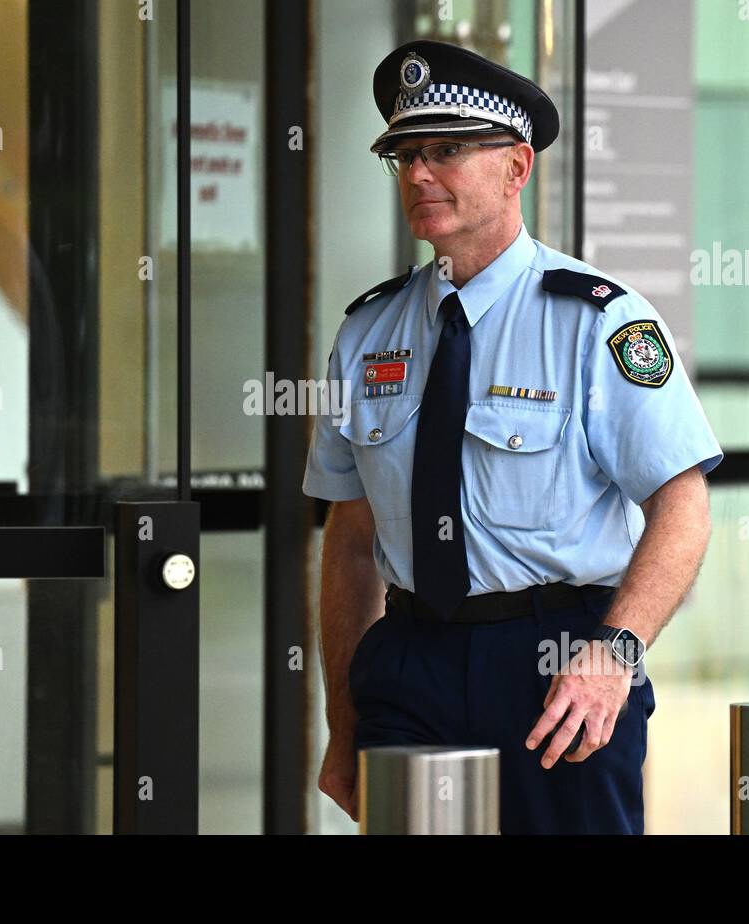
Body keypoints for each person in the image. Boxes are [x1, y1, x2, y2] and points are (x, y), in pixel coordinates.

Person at [305, 40, 723, 834]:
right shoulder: (366, 333)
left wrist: (614, 655)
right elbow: (351, 537)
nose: (420, 174)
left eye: (449, 151)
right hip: (409, 663)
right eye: (406, 156)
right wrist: (344, 713)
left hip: (557, 667)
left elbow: (683, 507)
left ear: (518, 166)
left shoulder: (599, 320)